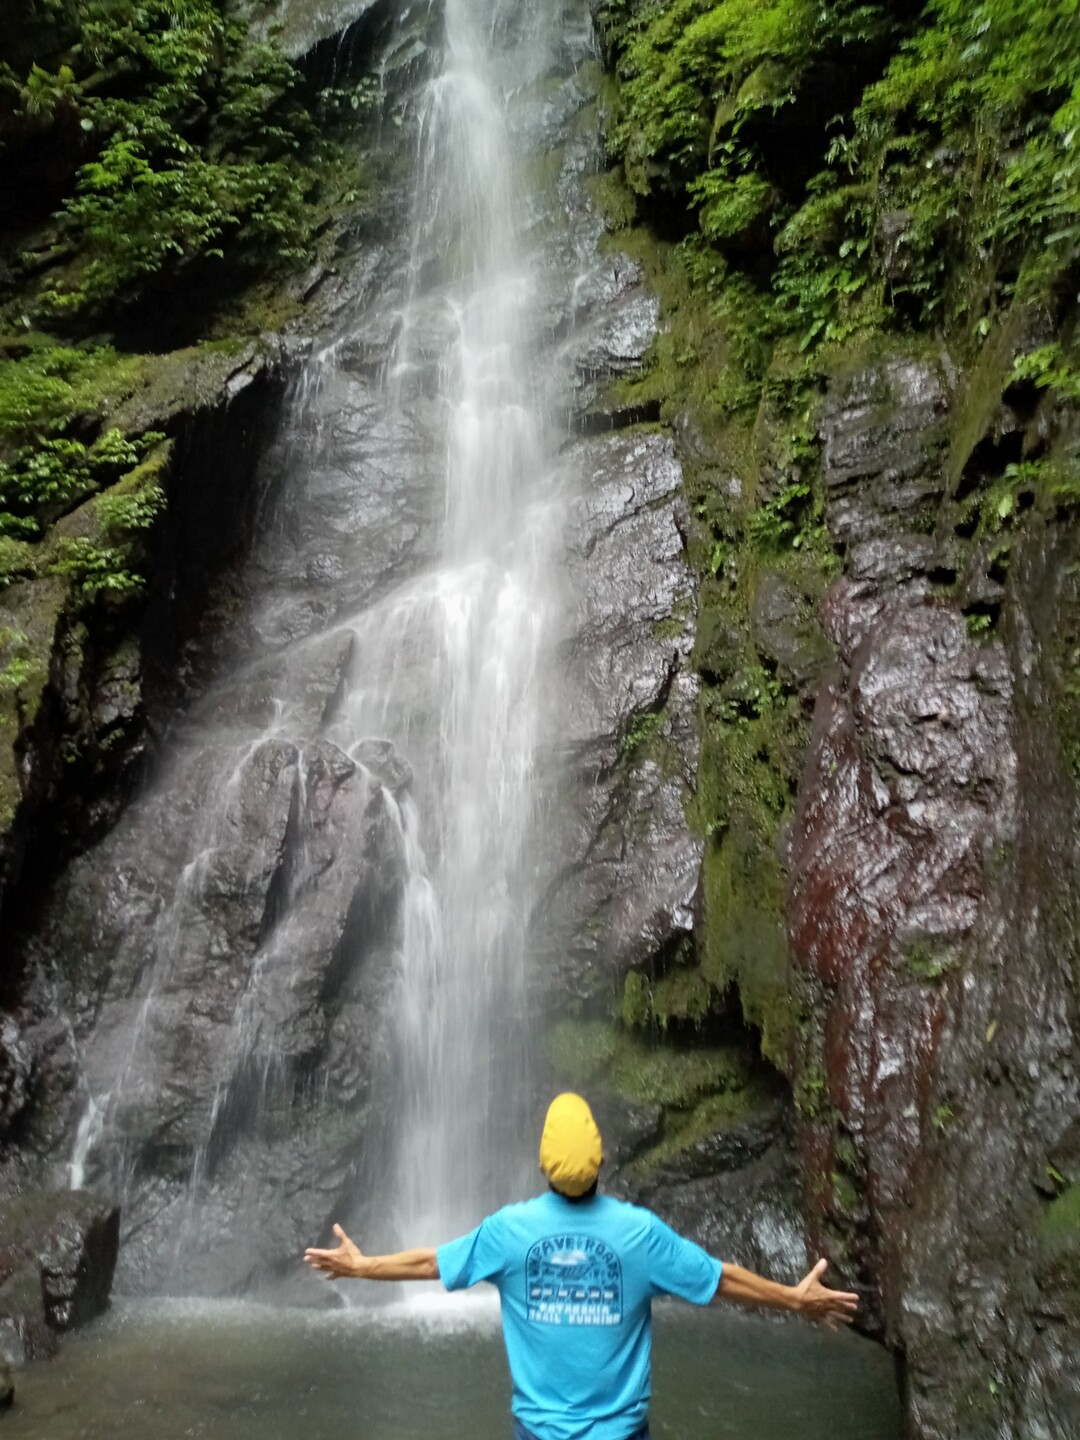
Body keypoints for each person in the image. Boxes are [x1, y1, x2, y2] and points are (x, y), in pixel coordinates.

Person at [304, 1092, 858, 1440]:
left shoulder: (510, 1233)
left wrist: (364, 1267)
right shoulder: (639, 1235)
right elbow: (721, 1280)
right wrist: (794, 1299)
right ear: (601, 1158)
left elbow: (432, 1263)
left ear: (542, 1162)